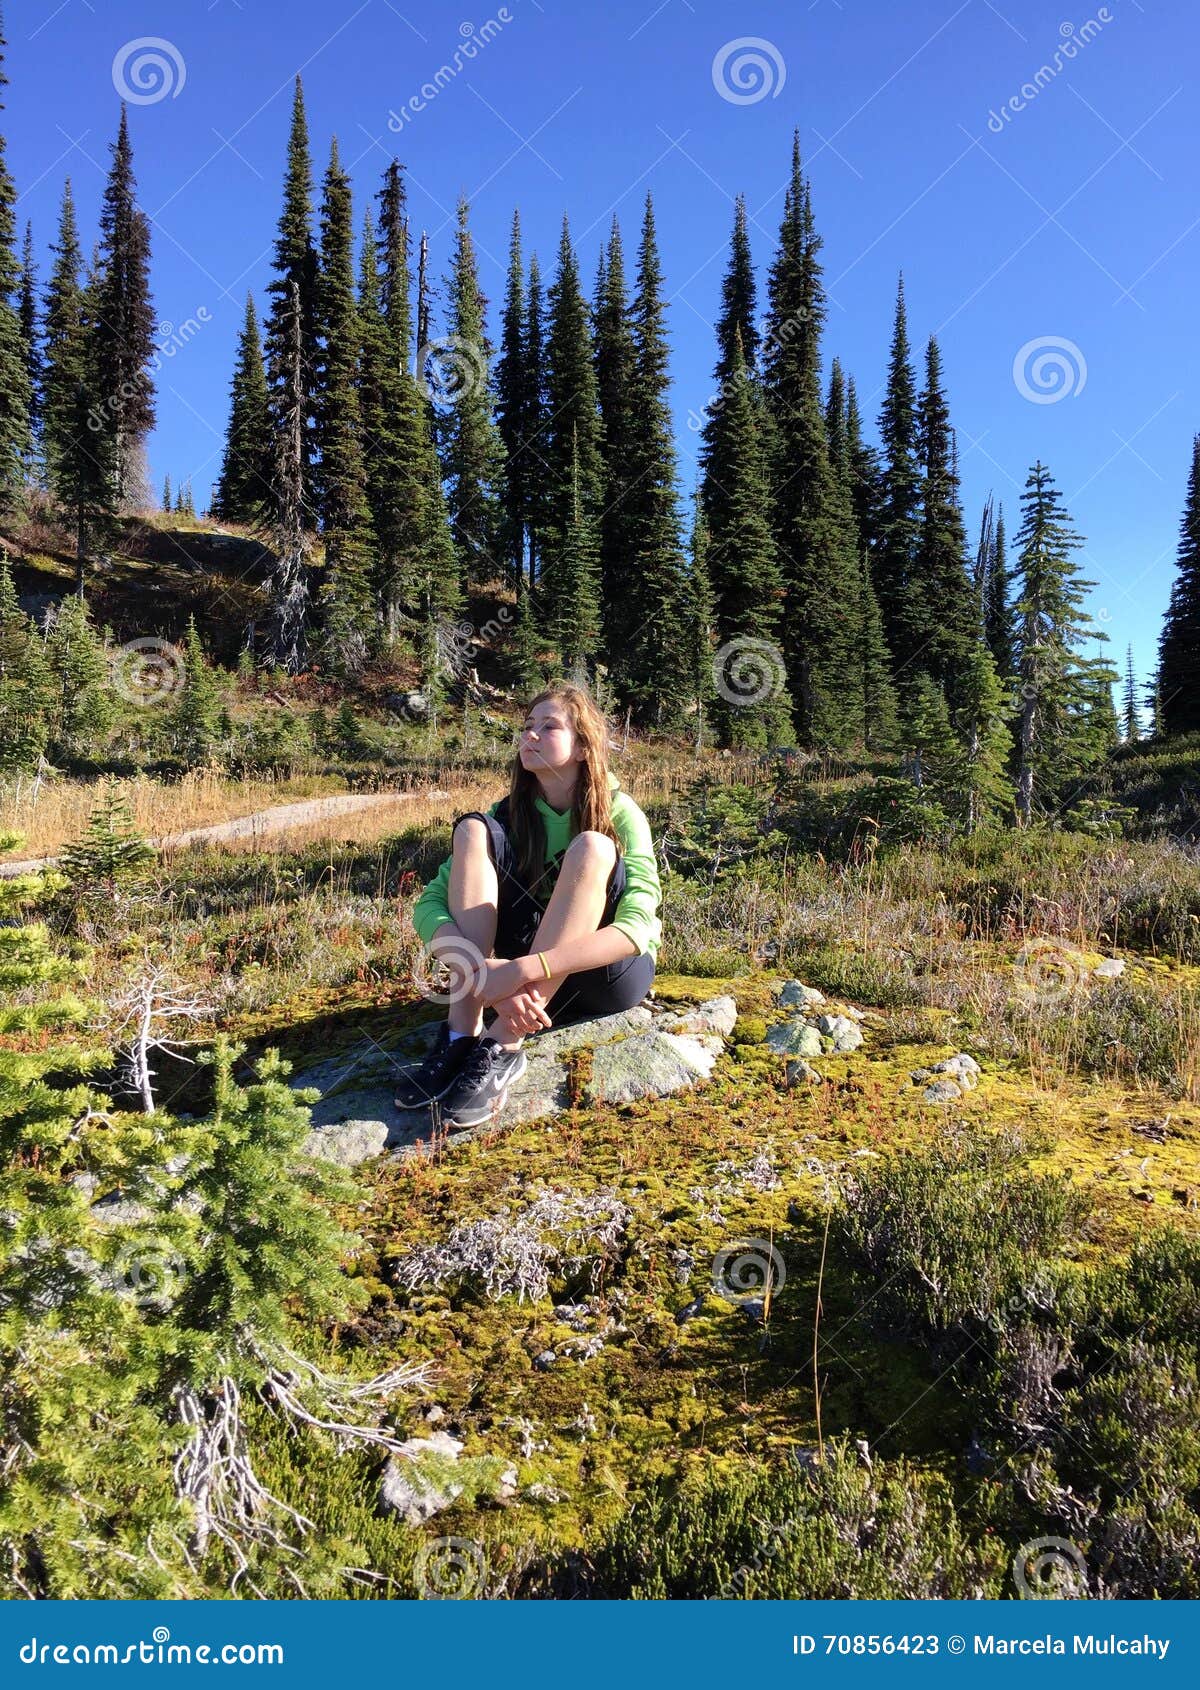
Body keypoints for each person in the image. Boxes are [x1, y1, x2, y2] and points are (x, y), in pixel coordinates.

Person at [396, 682, 663, 1128]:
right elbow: (429, 905)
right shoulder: (507, 814)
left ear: (583, 747)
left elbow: (637, 928)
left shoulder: (620, 812)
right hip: (507, 980)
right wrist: (479, 972)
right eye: (527, 726)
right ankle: (462, 1033)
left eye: (549, 727)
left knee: (593, 847)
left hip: (602, 977)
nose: (530, 735)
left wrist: (521, 971)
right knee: (471, 829)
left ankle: (504, 1043)